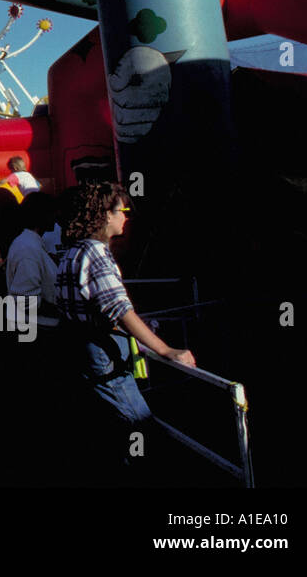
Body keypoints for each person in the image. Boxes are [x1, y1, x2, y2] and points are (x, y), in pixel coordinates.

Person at [55, 182, 194, 466]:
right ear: (105, 215)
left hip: (82, 353)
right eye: (122, 210)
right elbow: (119, 309)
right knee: (140, 428)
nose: (126, 216)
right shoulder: (95, 252)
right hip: (104, 356)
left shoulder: (71, 252)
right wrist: (165, 349)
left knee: (111, 434)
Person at [5, 192, 61, 324]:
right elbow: (25, 299)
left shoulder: (30, 244)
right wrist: (61, 310)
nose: (56, 217)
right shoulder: (28, 248)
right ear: (42, 214)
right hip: (39, 331)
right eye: (52, 212)